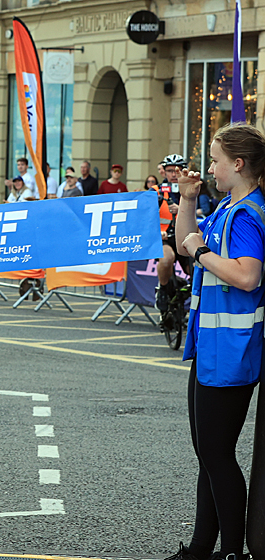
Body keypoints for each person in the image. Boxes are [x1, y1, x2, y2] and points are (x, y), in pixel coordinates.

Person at [166, 122, 265, 560]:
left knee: (218, 455)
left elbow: (247, 275)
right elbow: (185, 244)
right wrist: (187, 199)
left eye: (214, 160)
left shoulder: (248, 214)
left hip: (232, 352)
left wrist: (203, 251)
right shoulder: (229, 205)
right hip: (213, 348)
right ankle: (201, 550)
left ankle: (232, 553)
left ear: (237, 164)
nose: (209, 167)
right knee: (208, 454)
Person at [156, 154, 187, 312]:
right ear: (164, 172)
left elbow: (206, 213)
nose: (174, 174)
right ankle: (163, 291)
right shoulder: (156, 191)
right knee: (167, 259)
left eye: (177, 170)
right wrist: (158, 232)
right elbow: (145, 218)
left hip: (186, 238)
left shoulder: (192, 189)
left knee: (198, 267)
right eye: (170, 171)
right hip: (165, 238)